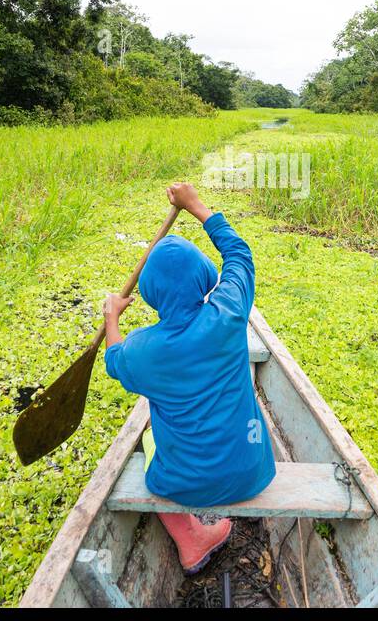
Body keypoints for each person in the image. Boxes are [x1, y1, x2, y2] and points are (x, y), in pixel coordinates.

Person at [102, 182, 276, 574]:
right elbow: (239, 254)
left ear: (149, 293)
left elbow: (114, 360)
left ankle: (191, 538)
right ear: (203, 276)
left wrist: (112, 317)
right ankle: (200, 536)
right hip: (252, 470)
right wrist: (195, 206)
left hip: (179, 483)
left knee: (148, 439)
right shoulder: (228, 311)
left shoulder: (142, 351)